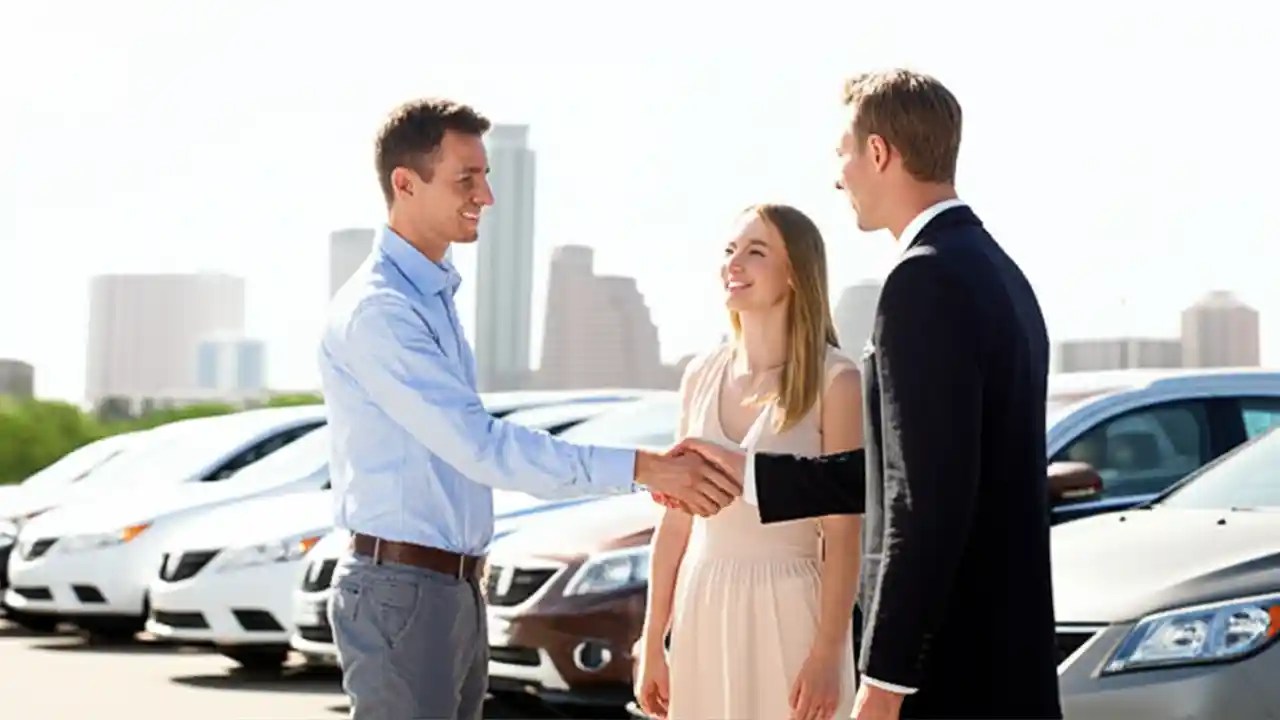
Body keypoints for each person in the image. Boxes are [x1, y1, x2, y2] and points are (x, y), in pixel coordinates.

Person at [317, 98, 741, 720]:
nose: (485, 196)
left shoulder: (429, 295)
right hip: (403, 592)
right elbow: (481, 448)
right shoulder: (381, 311)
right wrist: (644, 468)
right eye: (466, 179)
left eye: (485, 176)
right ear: (405, 184)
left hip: (450, 589)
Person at [677, 70, 1063, 719]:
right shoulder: (999, 273)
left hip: (952, 670)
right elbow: (910, 472)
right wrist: (753, 476)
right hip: (1006, 658)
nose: (840, 178)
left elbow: (922, 502)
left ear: (879, 152)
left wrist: (885, 681)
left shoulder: (923, 281)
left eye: (844, 154)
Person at [634, 204, 863, 720]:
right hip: (703, 603)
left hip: (793, 610)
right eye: (729, 250)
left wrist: (828, 654)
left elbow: (844, 534)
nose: (733, 264)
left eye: (755, 252)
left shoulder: (837, 381)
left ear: (796, 272)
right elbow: (674, 524)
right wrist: (651, 641)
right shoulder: (700, 374)